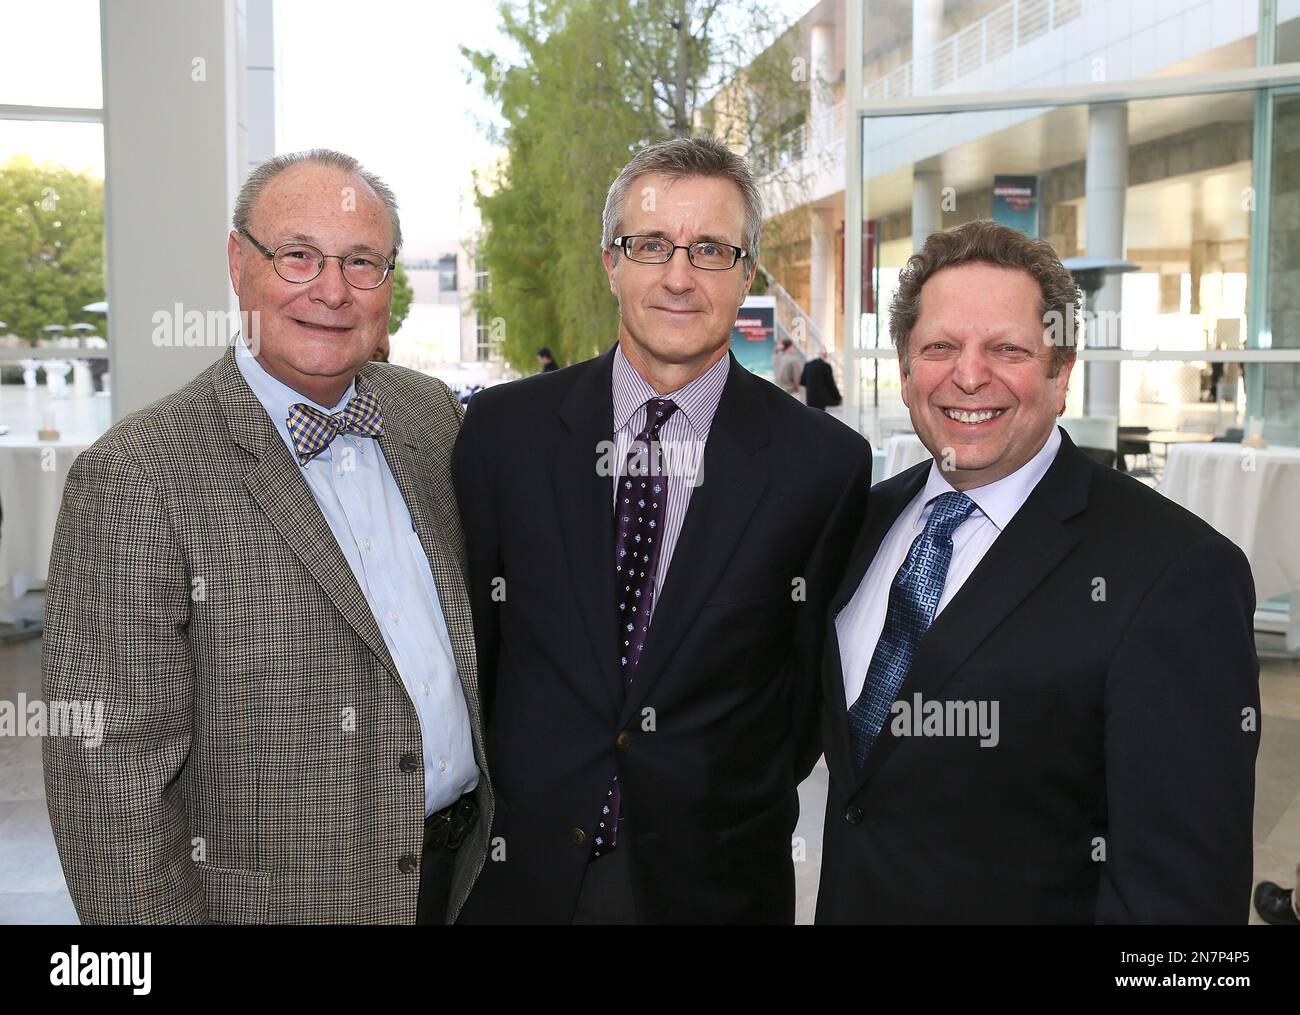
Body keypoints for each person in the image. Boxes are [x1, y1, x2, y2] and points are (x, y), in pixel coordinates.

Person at [42, 149, 492, 925]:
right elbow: (106, 781)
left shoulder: (430, 416)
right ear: (237, 262)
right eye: (298, 256)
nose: (331, 290)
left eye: (361, 263)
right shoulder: (136, 474)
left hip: (459, 883)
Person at [453, 136, 871, 924]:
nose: (679, 276)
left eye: (710, 249)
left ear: (746, 272)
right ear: (611, 261)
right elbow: (478, 644)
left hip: (714, 881)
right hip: (521, 875)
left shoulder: (824, 465)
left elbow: (806, 697)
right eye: (652, 245)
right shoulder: (504, 434)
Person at [816, 220, 1259, 924]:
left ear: (1062, 374)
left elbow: (1183, 902)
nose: (968, 375)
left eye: (1007, 349)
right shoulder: (858, 525)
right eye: (940, 347)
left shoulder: (1175, 574)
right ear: (904, 372)